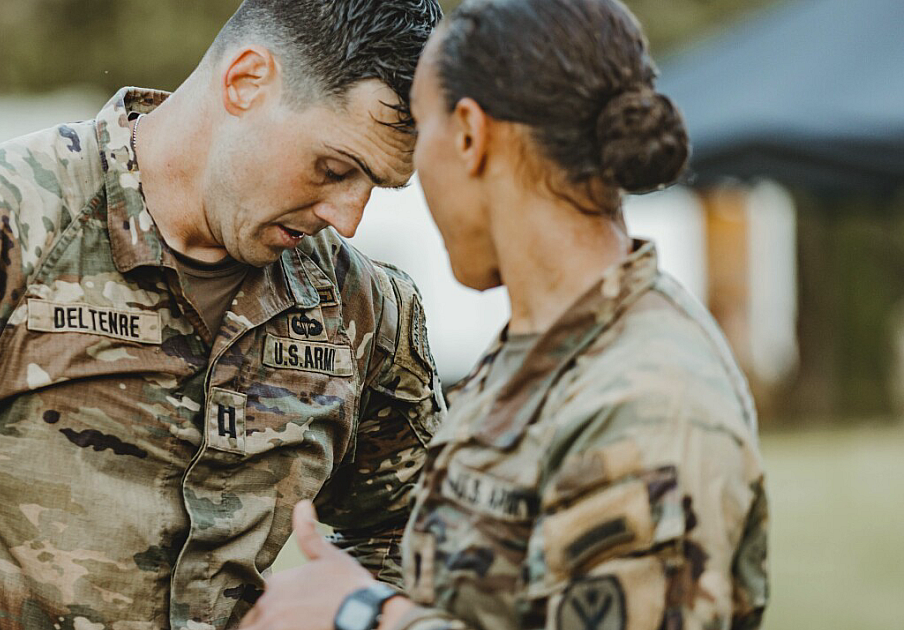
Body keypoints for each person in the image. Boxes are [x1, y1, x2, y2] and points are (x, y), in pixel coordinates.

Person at [0, 1, 446, 629]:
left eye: (376, 187)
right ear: (246, 82)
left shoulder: (361, 308)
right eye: (333, 169)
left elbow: (417, 537)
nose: (350, 218)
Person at [242, 1, 769, 630]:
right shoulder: (536, 353)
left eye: (418, 131)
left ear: (469, 134)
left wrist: (363, 614)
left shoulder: (650, 394)